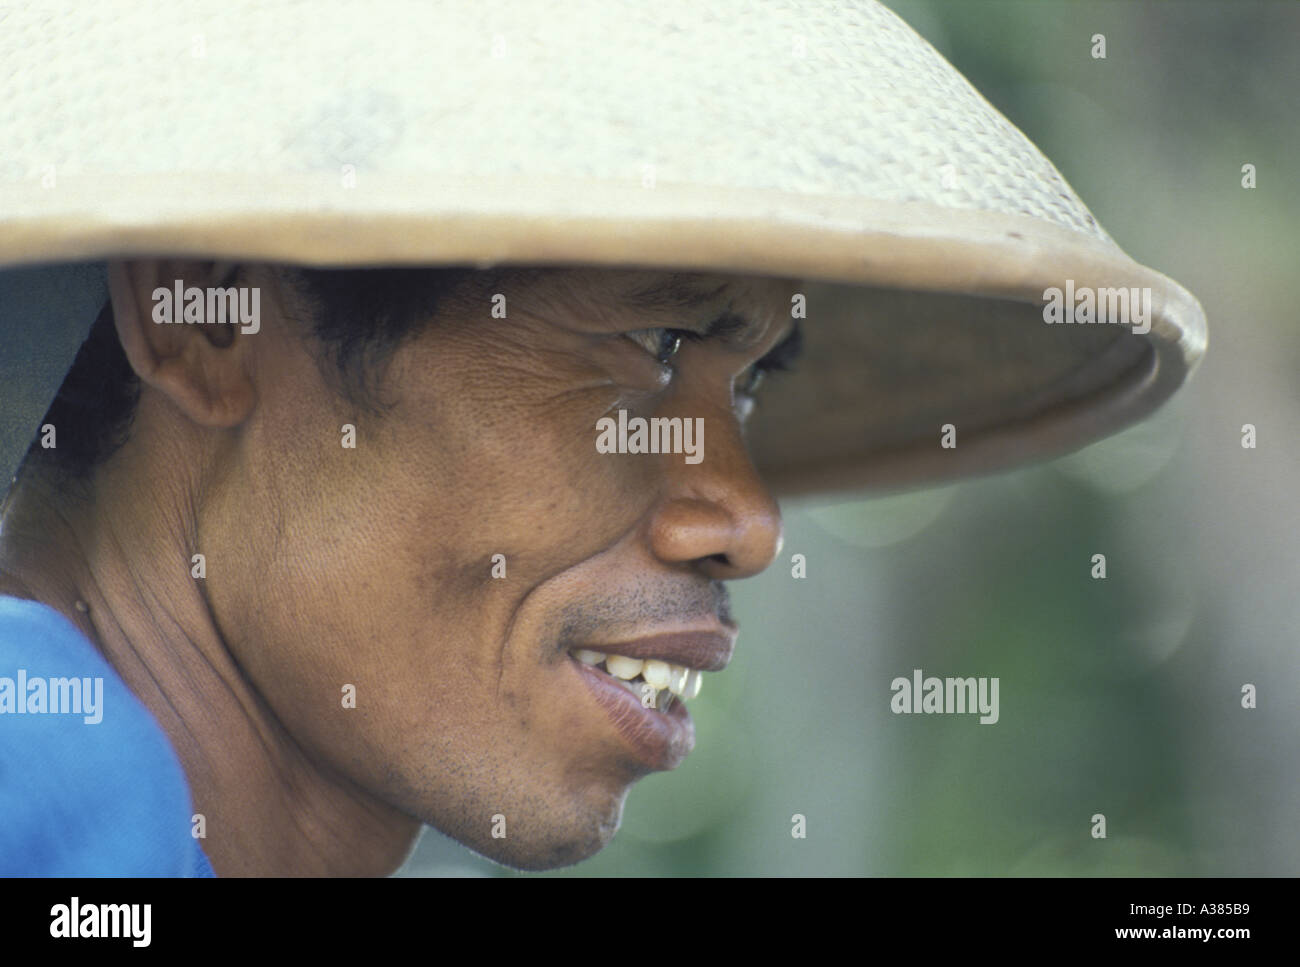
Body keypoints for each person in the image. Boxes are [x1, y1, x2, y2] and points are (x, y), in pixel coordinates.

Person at [0, 1, 1204, 875]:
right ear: (204, 318)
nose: (745, 522)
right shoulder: (40, 757)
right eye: (653, 344)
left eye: (741, 391)